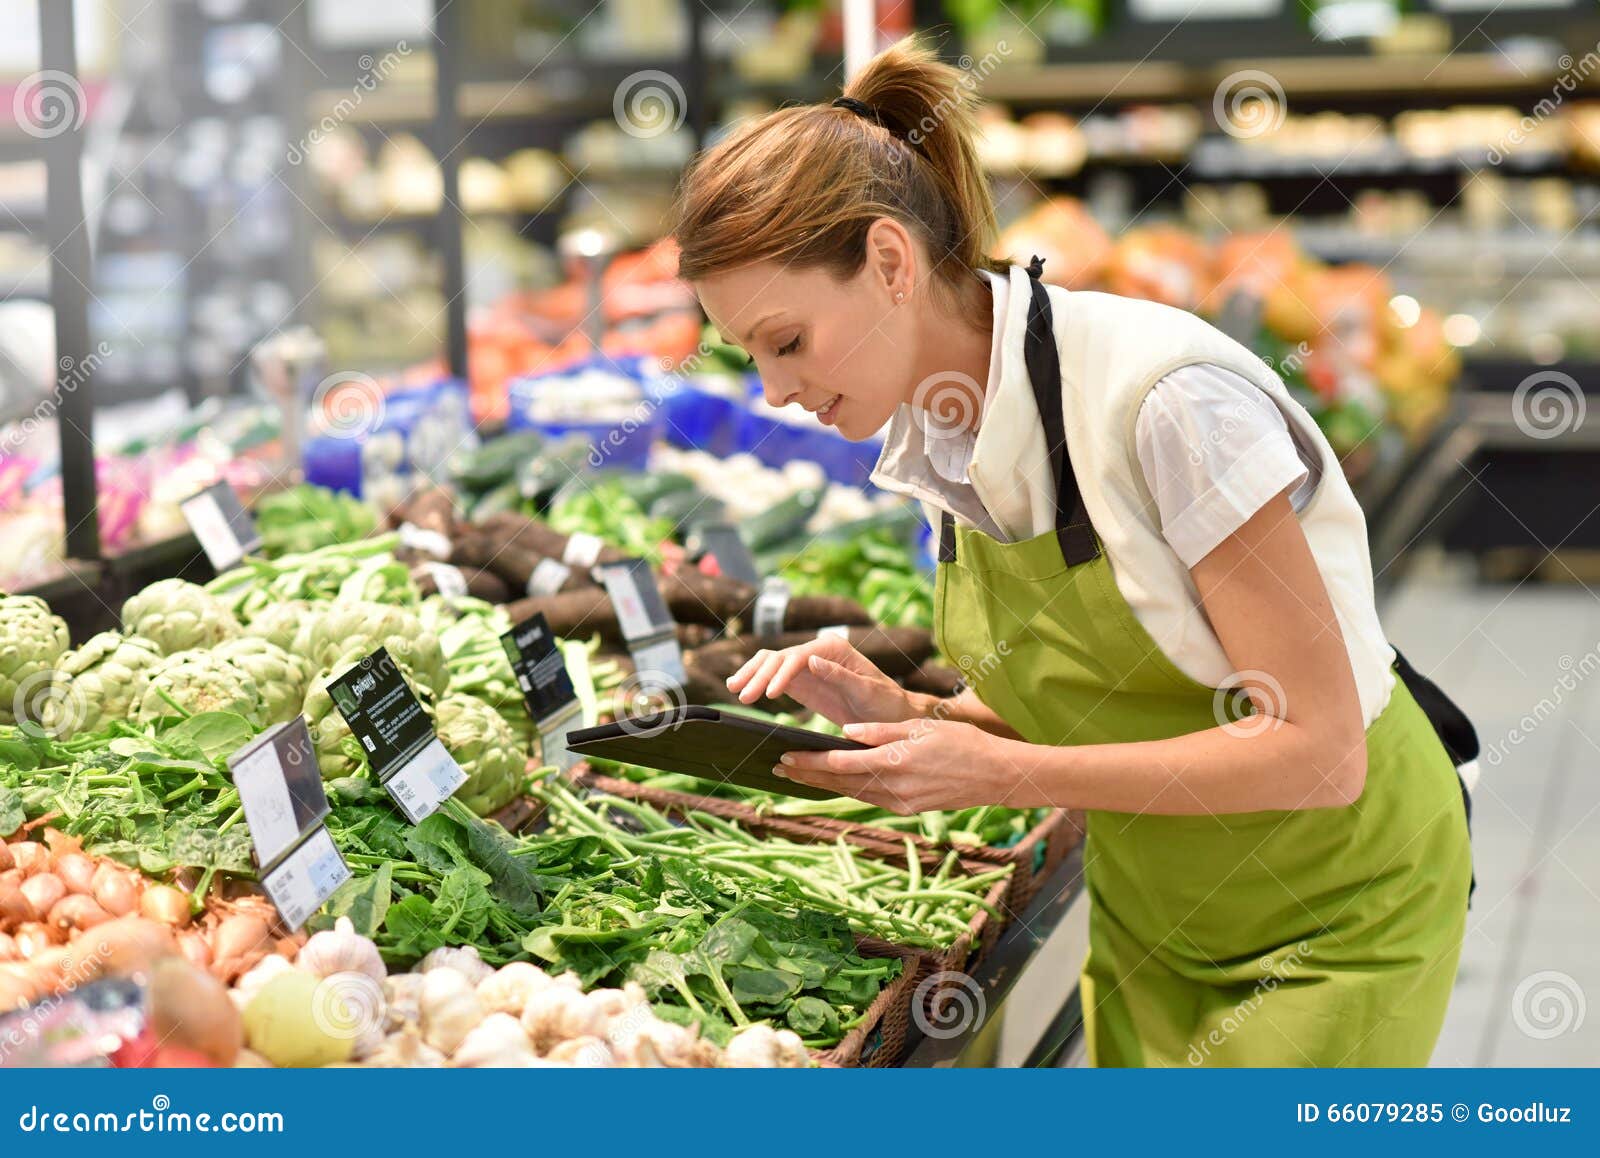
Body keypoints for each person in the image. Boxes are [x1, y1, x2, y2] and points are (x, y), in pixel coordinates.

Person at [668, 40, 1471, 1067]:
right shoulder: (938, 435)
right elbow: (1121, 697)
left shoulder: (1165, 405)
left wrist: (1000, 774)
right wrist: (912, 716)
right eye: (750, 358)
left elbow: (1318, 750)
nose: (773, 390)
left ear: (889, 261)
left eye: (787, 343)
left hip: (1329, 916)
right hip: (1155, 918)